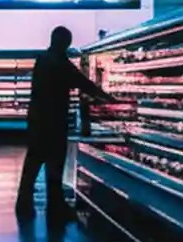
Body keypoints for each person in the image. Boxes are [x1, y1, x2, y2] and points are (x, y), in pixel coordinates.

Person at [15, 26, 116, 222]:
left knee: (32, 164)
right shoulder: (61, 63)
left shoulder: (42, 60)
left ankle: (23, 204)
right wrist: (109, 99)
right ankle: (55, 208)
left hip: (36, 121)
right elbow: (84, 84)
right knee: (55, 166)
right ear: (65, 42)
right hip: (54, 123)